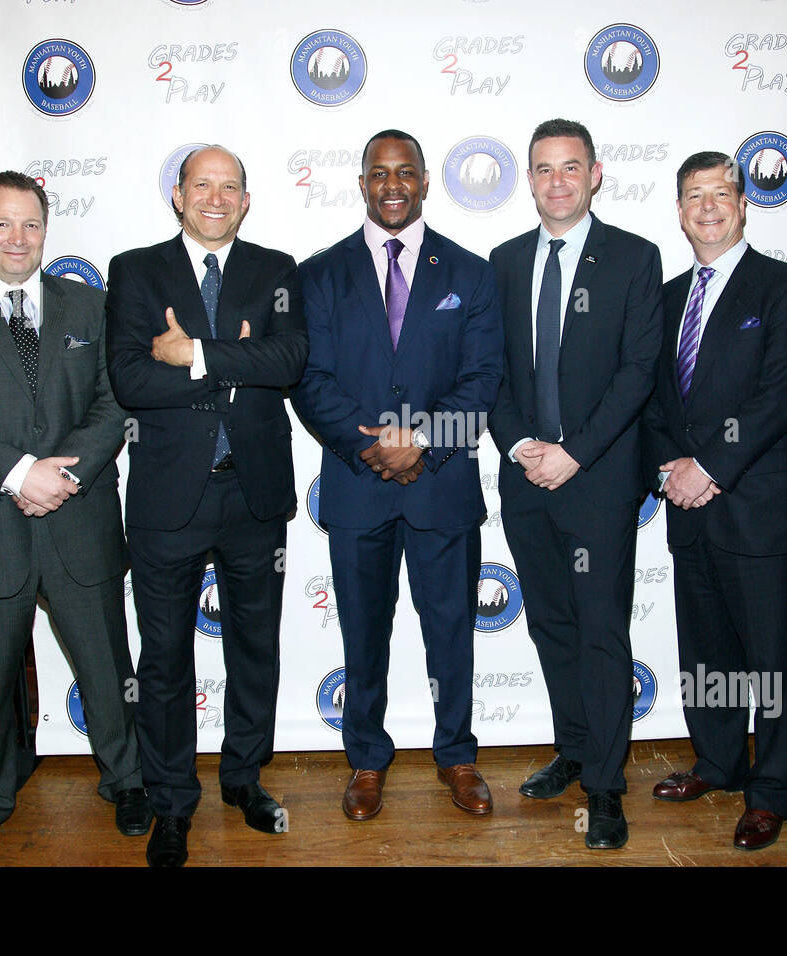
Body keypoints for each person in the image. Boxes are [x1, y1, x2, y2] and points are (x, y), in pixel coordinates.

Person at [0, 170, 146, 867]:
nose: (18, 238)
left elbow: (116, 400)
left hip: (80, 517)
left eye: (31, 223)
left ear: (46, 229)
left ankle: (128, 783)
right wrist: (19, 473)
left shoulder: (92, 305)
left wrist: (61, 476)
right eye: (3, 223)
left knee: (108, 666)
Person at [292, 129, 503, 822]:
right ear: (361, 183)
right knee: (363, 634)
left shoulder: (470, 274)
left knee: (451, 633)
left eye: (405, 171)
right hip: (358, 489)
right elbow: (311, 382)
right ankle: (366, 758)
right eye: (379, 173)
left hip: (442, 487)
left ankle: (458, 756)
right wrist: (377, 449)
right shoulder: (319, 274)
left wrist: (422, 443)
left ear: (424, 182)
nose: (392, 184)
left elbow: (483, 381)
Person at [105, 145, 307, 866]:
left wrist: (194, 355)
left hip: (254, 494)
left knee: (255, 646)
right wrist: (235, 365)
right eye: (201, 185)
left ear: (246, 200)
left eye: (229, 187)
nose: (215, 198)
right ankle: (171, 802)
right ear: (178, 194)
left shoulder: (276, 270)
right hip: (169, 500)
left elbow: (289, 361)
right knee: (163, 657)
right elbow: (129, 379)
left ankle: (244, 777)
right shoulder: (135, 270)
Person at [487, 118, 662, 849]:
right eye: (543, 168)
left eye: (570, 167)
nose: (556, 181)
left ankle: (607, 785)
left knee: (600, 630)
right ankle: (577, 747)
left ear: (595, 175)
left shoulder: (634, 257)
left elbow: (638, 372)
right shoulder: (503, 262)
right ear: (529, 179)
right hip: (526, 477)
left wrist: (575, 454)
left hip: (598, 481)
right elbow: (492, 371)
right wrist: (522, 445)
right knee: (552, 623)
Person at [641, 151, 787, 850]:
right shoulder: (665, 298)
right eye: (695, 195)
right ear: (679, 211)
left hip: (757, 510)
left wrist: (710, 467)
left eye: (722, 193)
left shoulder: (786, 288)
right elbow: (654, 399)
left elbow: (783, 393)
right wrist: (672, 469)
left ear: (744, 205)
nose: (708, 206)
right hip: (688, 511)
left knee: (769, 659)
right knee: (706, 654)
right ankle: (718, 762)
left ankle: (773, 789)